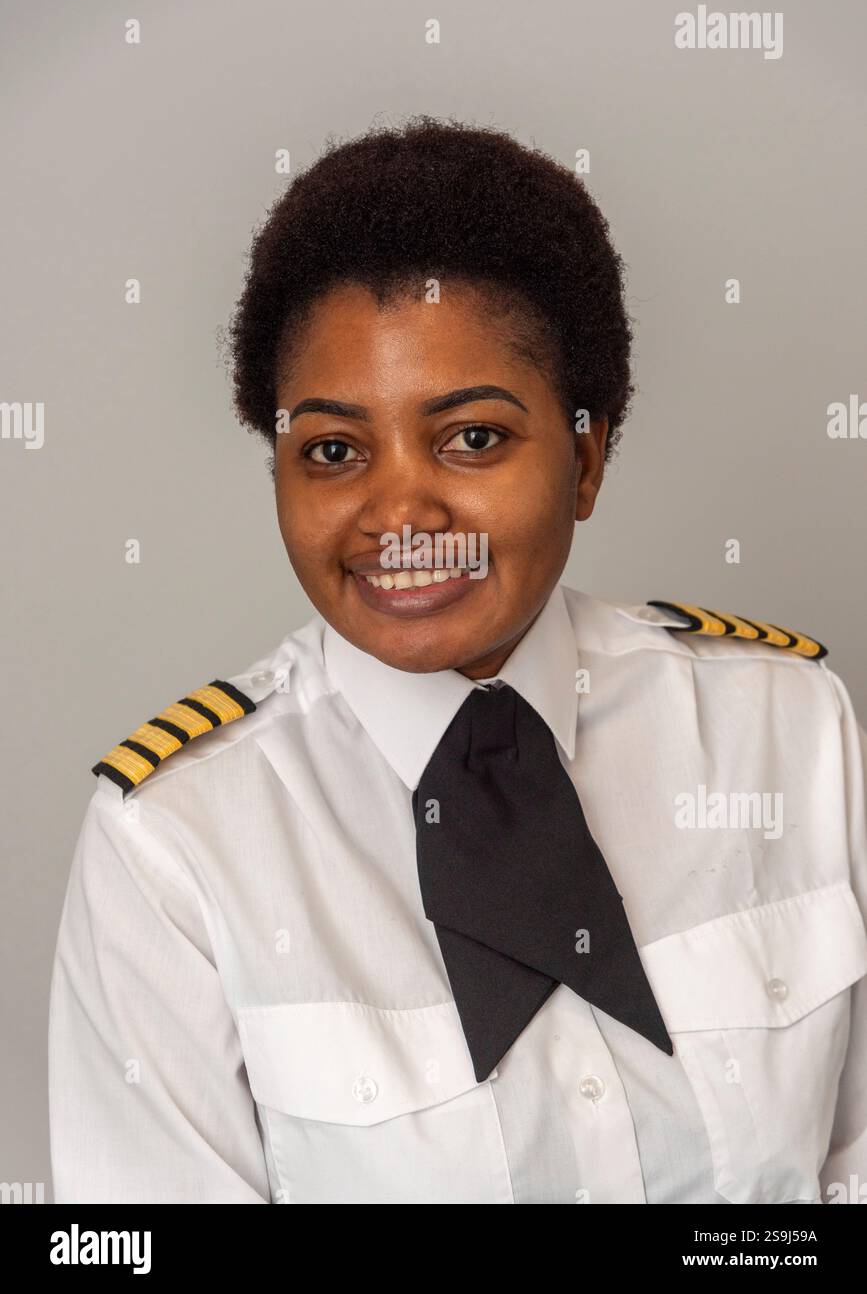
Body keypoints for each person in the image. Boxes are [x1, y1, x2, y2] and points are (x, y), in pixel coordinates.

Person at [48, 116, 867, 1205]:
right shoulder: (175, 846)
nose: (399, 512)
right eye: (333, 451)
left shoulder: (786, 727)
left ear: (583, 457)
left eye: (472, 437)